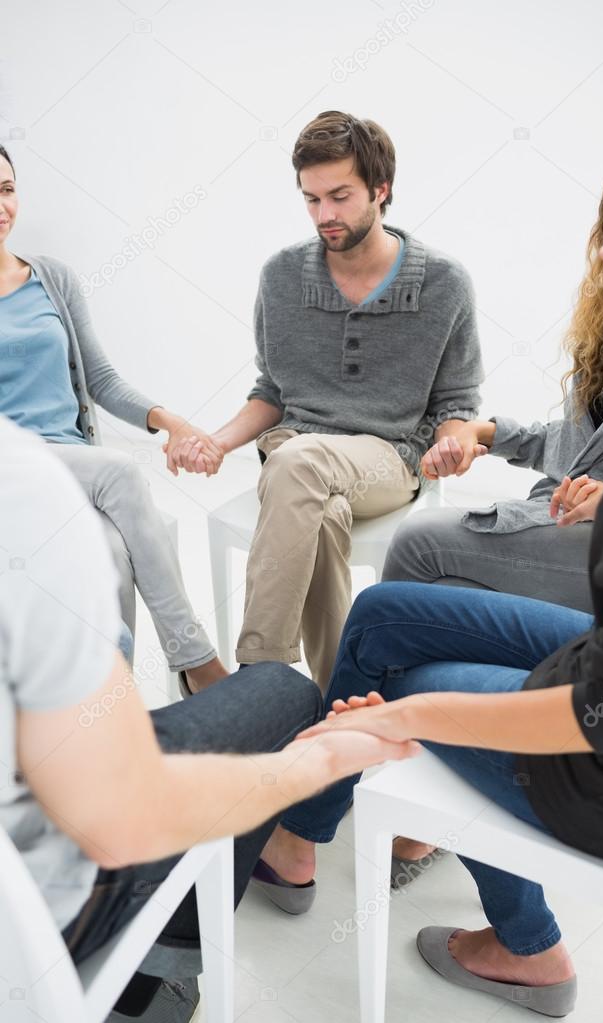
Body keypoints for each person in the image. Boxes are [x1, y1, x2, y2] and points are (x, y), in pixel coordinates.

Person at [258, 98, 603, 1018]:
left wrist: (403, 716)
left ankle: (518, 936)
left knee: (403, 655)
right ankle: (307, 824)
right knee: (381, 618)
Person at [1, 414, 419, 1020]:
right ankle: (158, 974)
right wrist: (313, 764)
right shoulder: (25, 488)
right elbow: (122, 807)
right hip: (52, 914)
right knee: (283, 690)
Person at [169, 110, 485, 689]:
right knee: (319, 510)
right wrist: (216, 442)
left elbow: (457, 403)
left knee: (298, 460)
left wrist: (450, 448)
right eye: (311, 200)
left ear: (380, 189)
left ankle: (256, 679)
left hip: (388, 458)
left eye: (339, 196)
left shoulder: (444, 283)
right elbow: (272, 390)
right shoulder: (282, 276)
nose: (325, 216)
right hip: (299, 456)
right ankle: (342, 695)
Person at [382, 173, 603, 615]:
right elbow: (578, 448)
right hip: (565, 527)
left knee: (418, 542)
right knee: (442, 589)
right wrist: (481, 433)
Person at [0, 145, 226, 695]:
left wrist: (170, 422)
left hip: (73, 464)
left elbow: (100, 380)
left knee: (110, 553)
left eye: (6, 190)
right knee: (122, 473)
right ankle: (197, 662)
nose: (0, 206)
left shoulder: (51, 278)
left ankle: (108, 706)